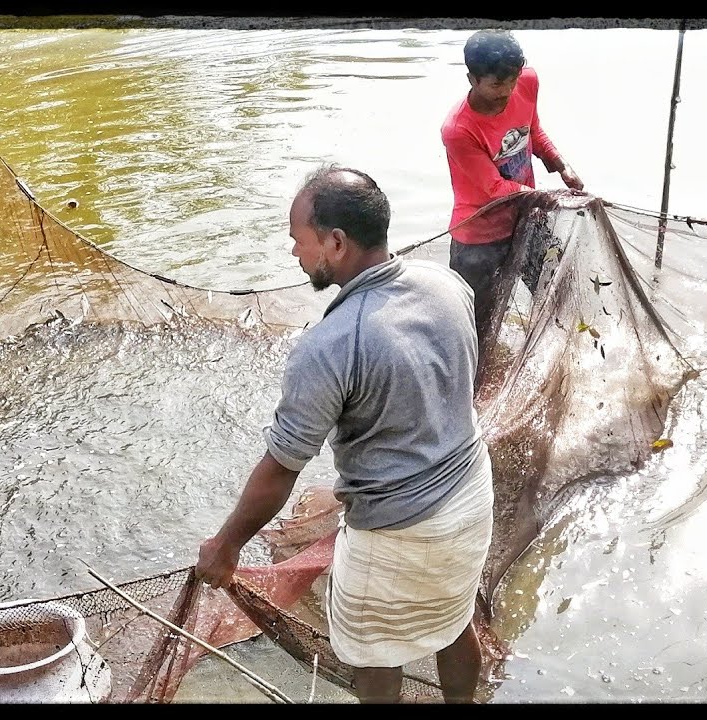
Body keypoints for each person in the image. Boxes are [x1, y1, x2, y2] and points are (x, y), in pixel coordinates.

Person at [195, 166, 495, 704]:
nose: (294, 254)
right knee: (454, 618)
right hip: (471, 495)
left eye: (299, 240)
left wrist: (226, 544)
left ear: (335, 242)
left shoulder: (329, 346)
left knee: (373, 653)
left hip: (401, 530)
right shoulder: (445, 284)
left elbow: (281, 467)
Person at [441, 29, 584, 336]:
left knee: (557, 293)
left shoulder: (528, 81)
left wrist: (562, 166)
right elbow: (494, 188)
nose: (506, 91)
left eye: (512, 81)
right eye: (496, 84)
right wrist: (547, 196)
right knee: (477, 329)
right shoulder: (458, 129)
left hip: (527, 219)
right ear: (472, 80)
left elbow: (533, 130)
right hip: (479, 237)